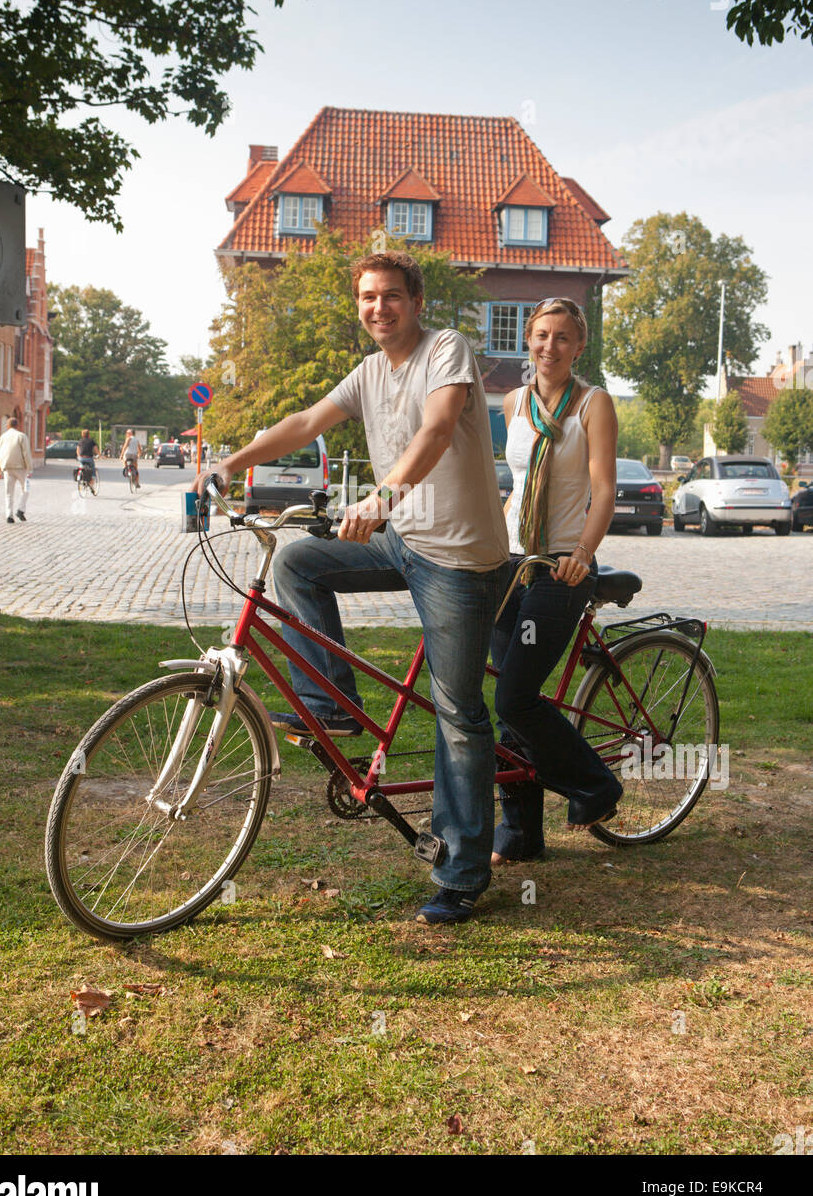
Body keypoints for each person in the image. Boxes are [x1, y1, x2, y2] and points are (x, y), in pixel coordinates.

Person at [196, 251, 509, 925]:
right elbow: (307, 422)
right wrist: (230, 460)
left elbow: (439, 426)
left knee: (456, 710)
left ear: (416, 301)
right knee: (300, 561)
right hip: (404, 539)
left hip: (458, 555)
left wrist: (382, 496)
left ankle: (462, 870)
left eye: (391, 296)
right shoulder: (369, 371)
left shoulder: (446, 350)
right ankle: (331, 703)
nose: (378, 308)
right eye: (367, 298)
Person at [490, 296, 622, 864]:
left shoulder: (593, 404)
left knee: (515, 696)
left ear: (579, 345)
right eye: (542, 335)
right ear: (528, 339)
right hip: (508, 563)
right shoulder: (512, 401)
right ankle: (521, 836)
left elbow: (605, 491)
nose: (550, 346)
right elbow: (512, 484)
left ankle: (595, 785)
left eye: (563, 337)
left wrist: (583, 555)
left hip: (559, 568)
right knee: (508, 703)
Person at [0, 417, 33, 523]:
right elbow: (26, 453)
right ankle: (21, 509)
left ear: (7, 426)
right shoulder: (21, 436)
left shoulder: (2, 437)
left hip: (7, 468)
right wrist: (30, 468)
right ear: (18, 425)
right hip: (21, 467)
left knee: (9, 492)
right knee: (26, 488)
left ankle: (9, 515)